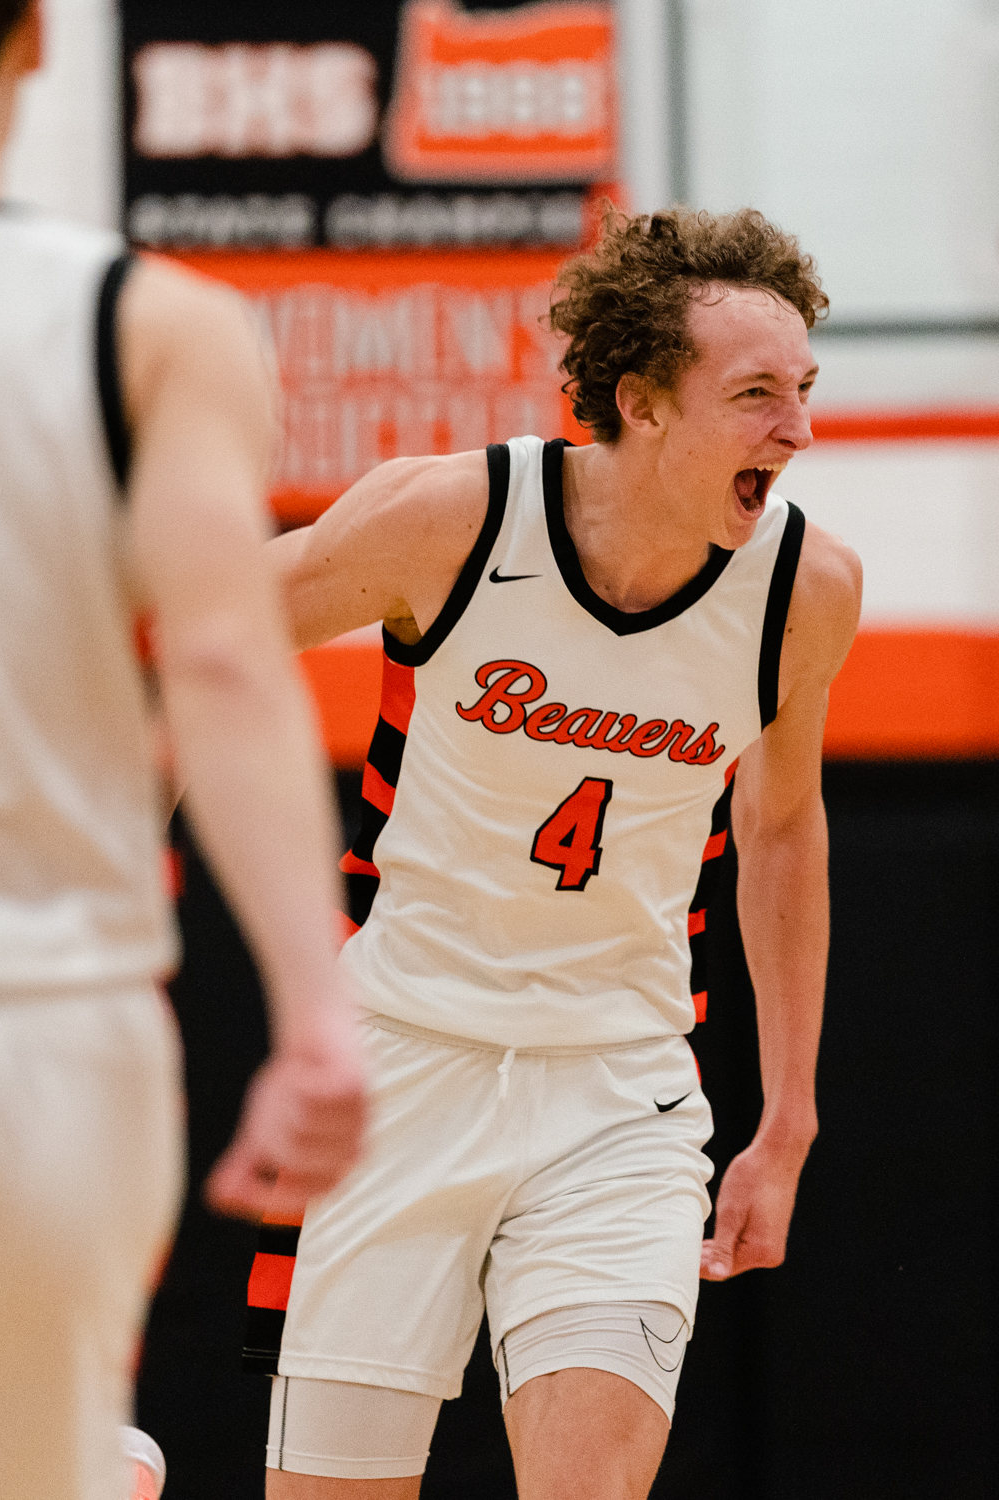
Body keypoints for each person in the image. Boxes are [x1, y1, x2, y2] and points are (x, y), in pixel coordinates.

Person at [259, 205, 862, 1500]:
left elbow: (779, 822)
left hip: (618, 1092)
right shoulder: (456, 521)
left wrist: (790, 1115)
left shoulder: (804, 591)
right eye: (756, 394)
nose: (797, 430)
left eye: (804, 391)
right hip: (403, 1070)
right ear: (640, 402)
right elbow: (199, 636)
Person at [0, 5, 367, 1498]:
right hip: (43, 1012)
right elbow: (224, 663)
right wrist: (317, 1016)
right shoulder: (153, 325)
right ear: (33, 46)